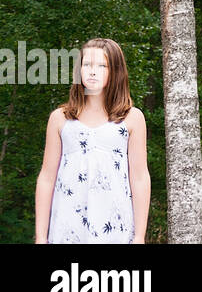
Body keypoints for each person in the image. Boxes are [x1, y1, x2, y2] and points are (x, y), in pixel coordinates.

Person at [34, 38, 149, 243]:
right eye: (87, 64)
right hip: (67, 227)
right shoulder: (61, 119)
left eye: (102, 65)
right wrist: (41, 237)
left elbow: (139, 178)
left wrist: (139, 236)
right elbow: (46, 178)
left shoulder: (132, 118)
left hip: (115, 228)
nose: (92, 71)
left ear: (116, 71)